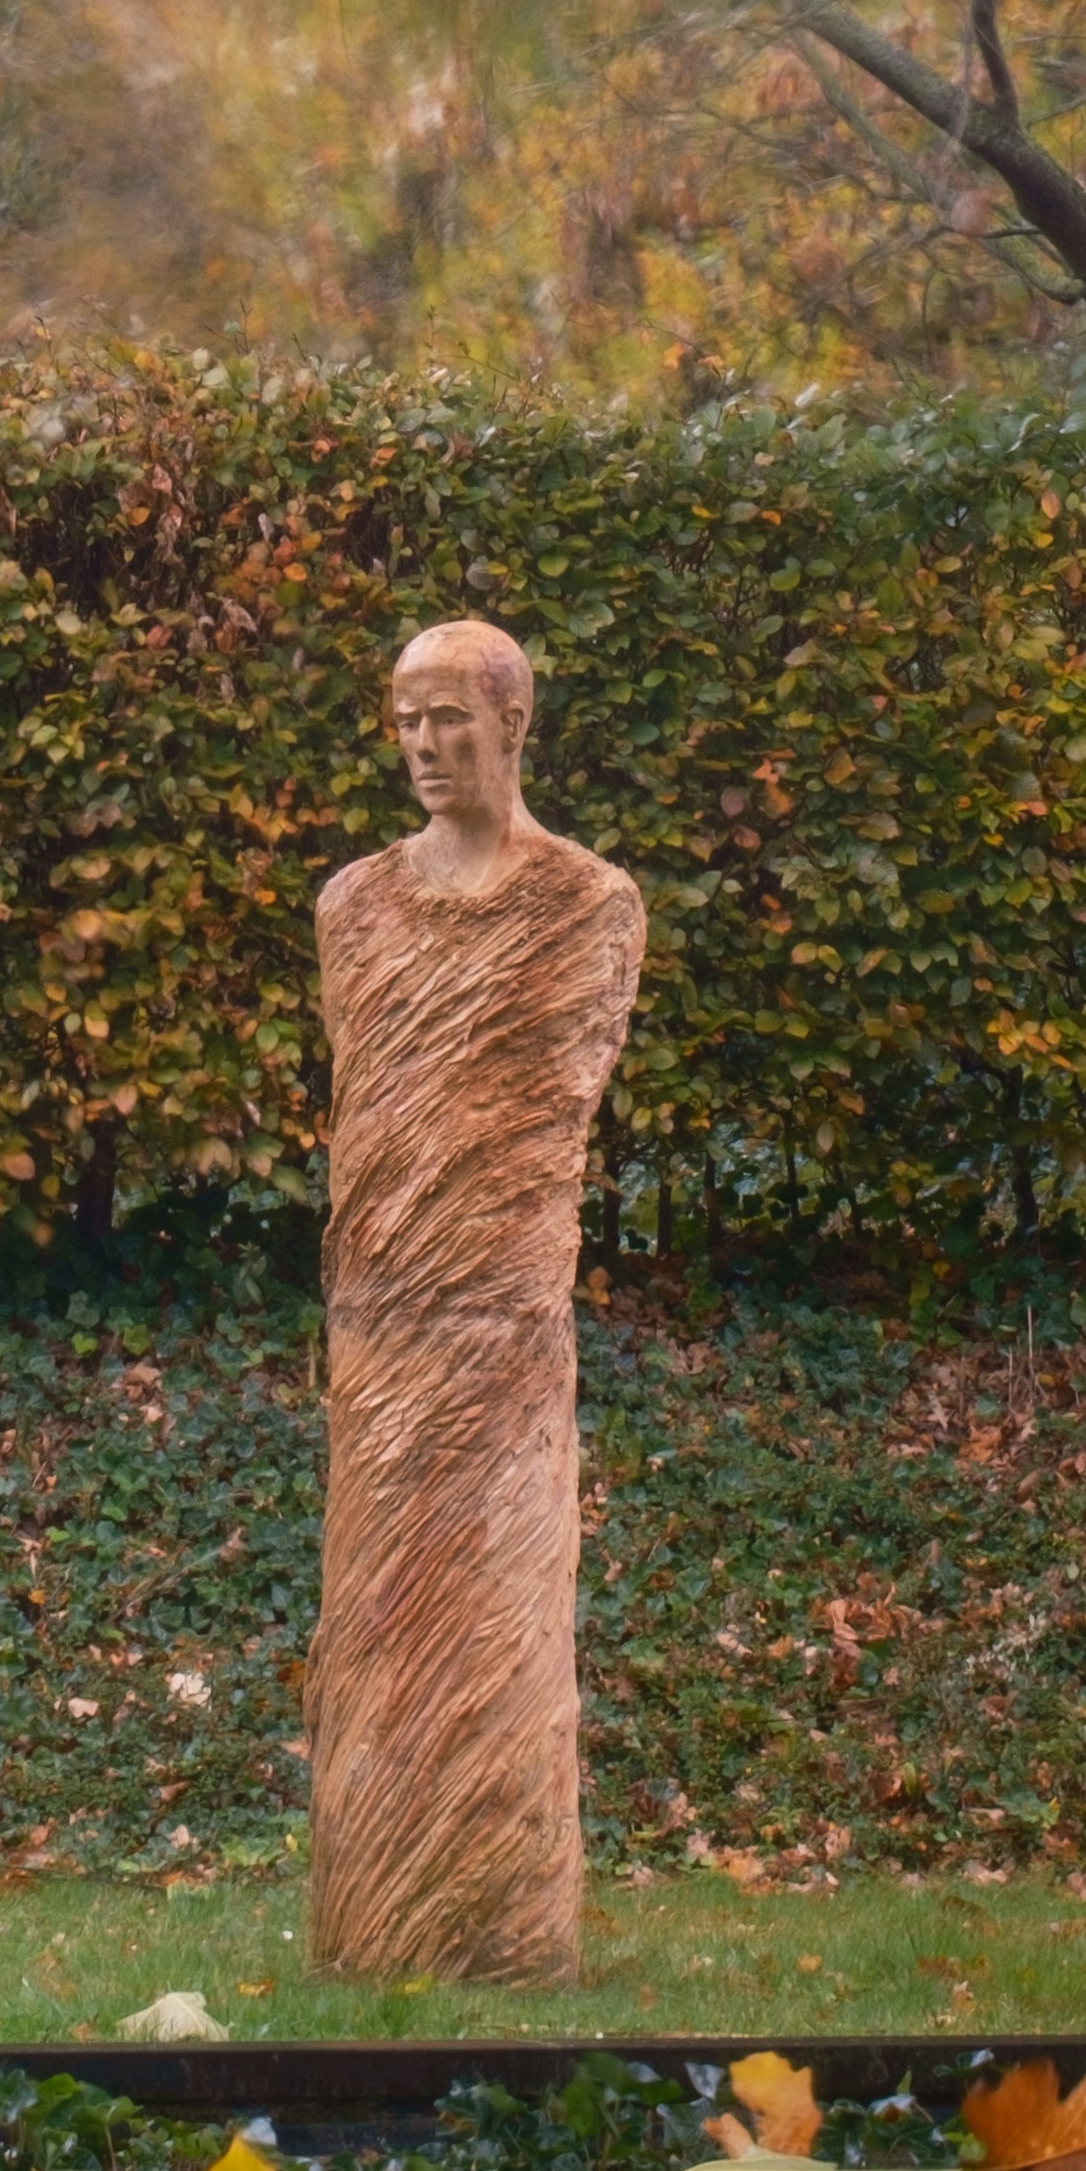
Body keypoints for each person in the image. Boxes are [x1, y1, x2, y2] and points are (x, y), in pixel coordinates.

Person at [307, 617, 642, 1982]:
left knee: (494, 1629)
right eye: (403, 719)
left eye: (449, 717)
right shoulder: (352, 906)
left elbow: (540, 1114)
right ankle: (378, 1924)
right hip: (377, 1329)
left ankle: (501, 1931)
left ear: (513, 724)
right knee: (380, 1628)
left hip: (501, 1329)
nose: (425, 747)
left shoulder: (585, 905)